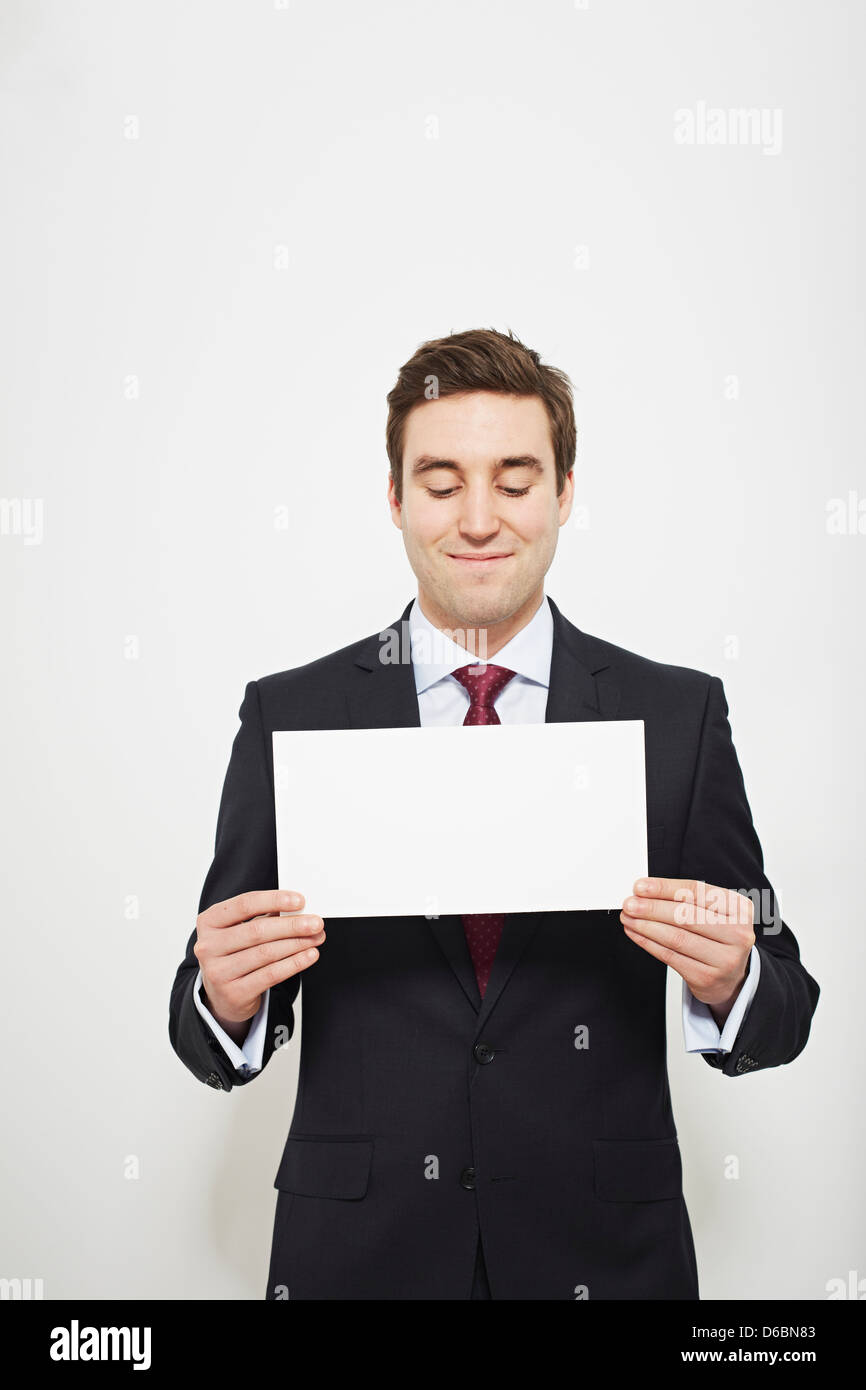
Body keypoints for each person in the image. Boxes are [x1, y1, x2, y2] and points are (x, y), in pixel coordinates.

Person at [168, 328, 819, 1300]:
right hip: (359, 1258)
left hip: (602, 1258)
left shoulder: (675, 716)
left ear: (562, 493)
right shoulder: (291, 713)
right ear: (393, 498)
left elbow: (783, 1007)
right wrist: (223, 997)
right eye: (440, 482)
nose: (478, 518)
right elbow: (204, 1020)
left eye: (514, 482)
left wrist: (731, 978)